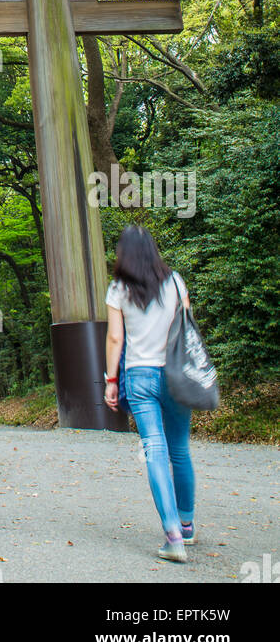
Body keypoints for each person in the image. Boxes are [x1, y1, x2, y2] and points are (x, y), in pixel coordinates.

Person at [104, 225, 196, 564]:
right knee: (180, 450)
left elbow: (115, 339)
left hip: (139, 376)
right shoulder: (175, 282)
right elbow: (187, 324)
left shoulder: (118, 289)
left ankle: (172, 537)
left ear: (123, 254)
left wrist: (111, 379)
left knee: (154, 450)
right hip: (174, 373)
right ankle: (186, 524)